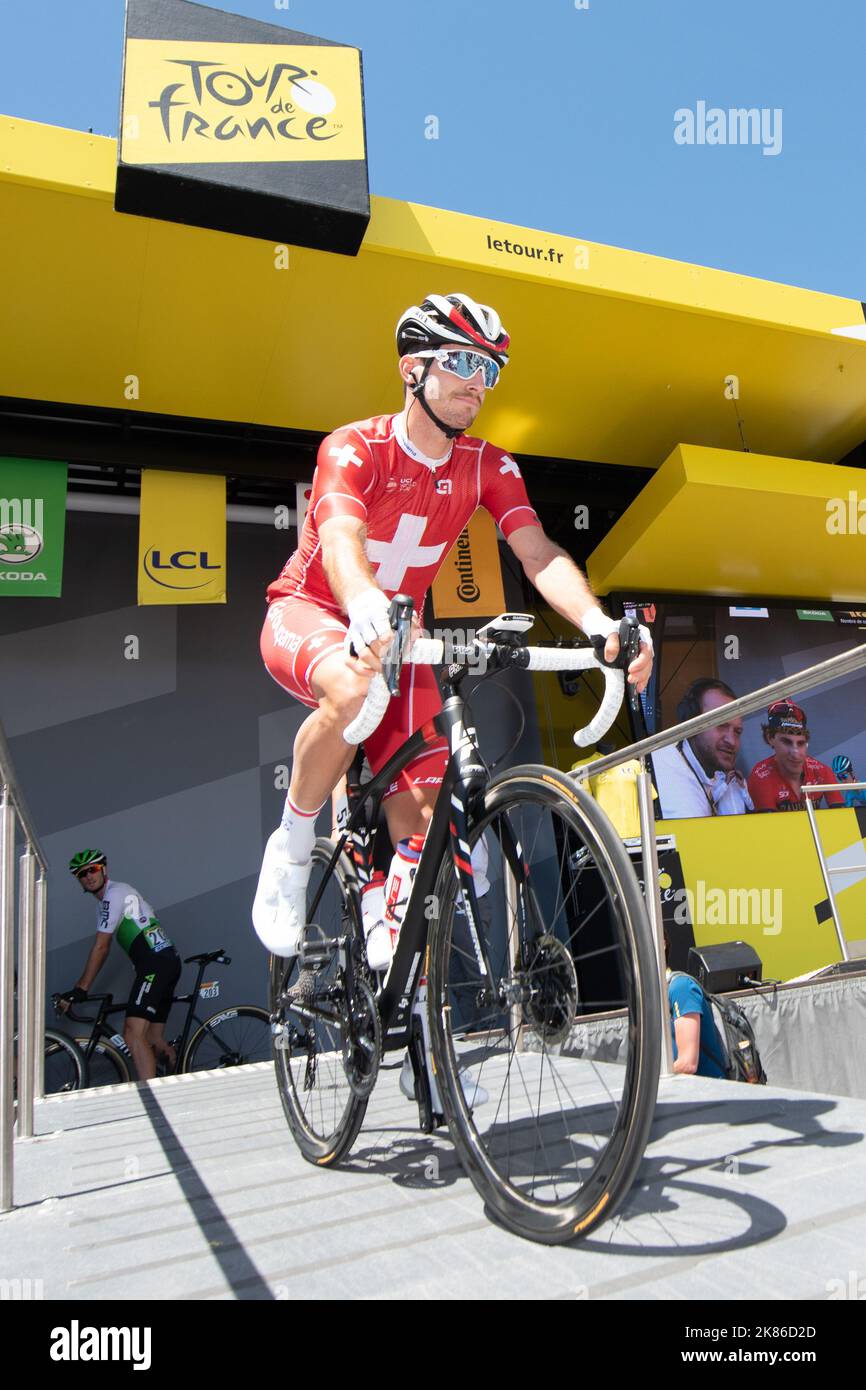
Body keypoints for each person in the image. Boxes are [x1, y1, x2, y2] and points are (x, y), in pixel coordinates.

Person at [252, 292, 654, 967]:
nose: (478, 384)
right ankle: (291, 847)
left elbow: (536, 551)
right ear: (414, 368)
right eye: (463, 361)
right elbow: (343, 537)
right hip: (315, 611)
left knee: (432, 799)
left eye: (490, 370)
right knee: (356, 693)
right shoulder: (355, 447)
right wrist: (363, 601)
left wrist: (597, 621)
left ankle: (399, 926)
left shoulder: (488, 466)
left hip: (399, 636)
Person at [59, 850, 182, 1081]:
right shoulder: (117, 894)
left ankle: (152, 1097)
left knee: (132, 1034)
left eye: (92, 869)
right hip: (165, 962)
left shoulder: (113, 895)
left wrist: (81, 987)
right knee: (153, 1039)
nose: (88, 876)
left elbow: (101, 947)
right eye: (81, 874)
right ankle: (178, 1071)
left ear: (104, 869)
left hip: (155, 965)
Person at [651, 677, 753, 818]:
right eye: (721, 725)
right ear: (692, 724)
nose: (732, 741)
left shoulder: (718, 774)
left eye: (737, 732)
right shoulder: (671, 774)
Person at [748, 700, 845, 812]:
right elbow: (770, 828)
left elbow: (843, 820)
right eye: (787, 742)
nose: (795, 752)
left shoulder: (823, 772)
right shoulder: (760, 776)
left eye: (801, 743)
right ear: (770, 738)